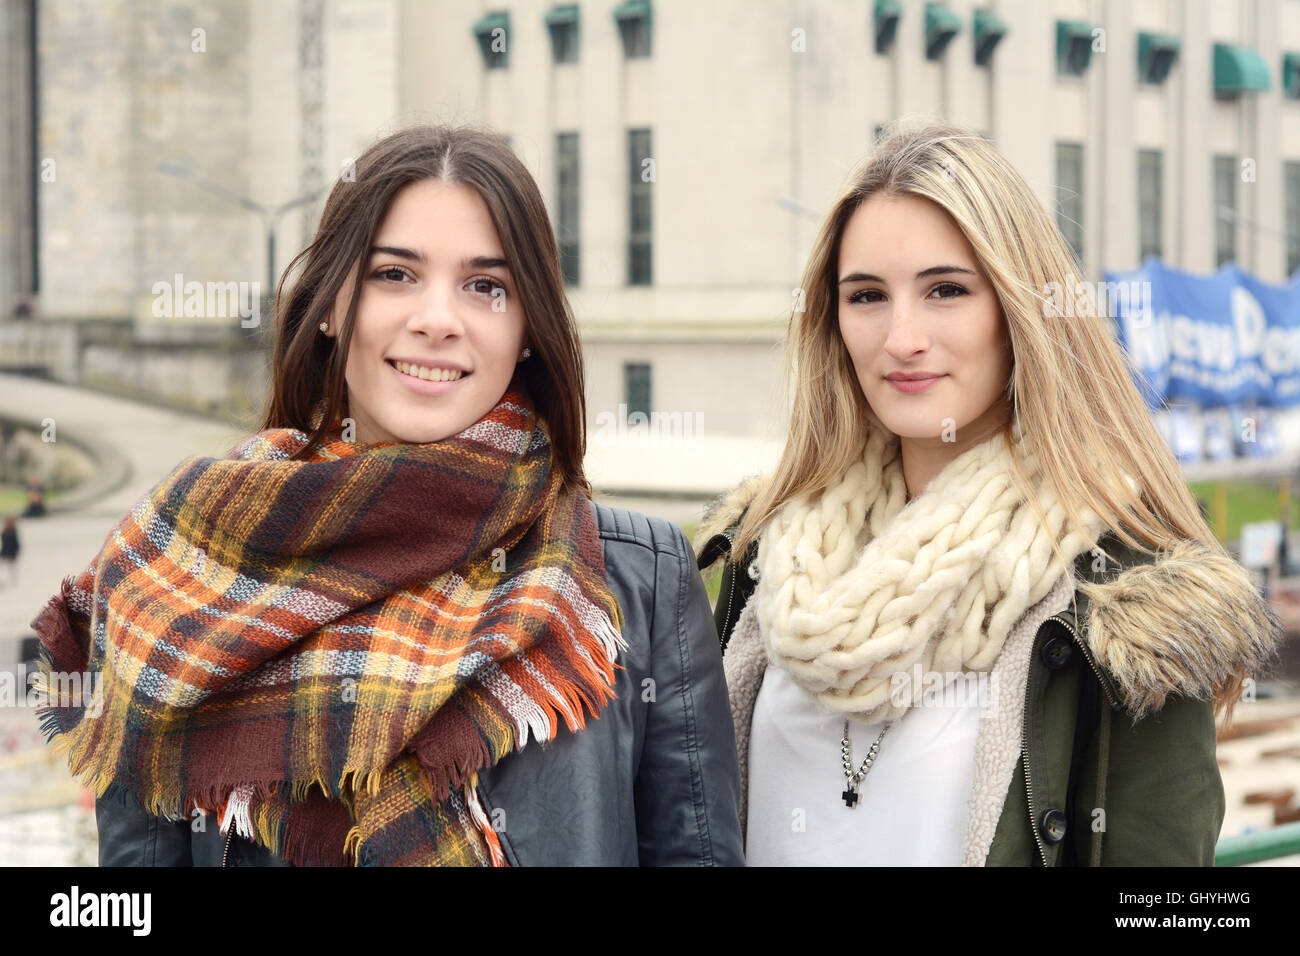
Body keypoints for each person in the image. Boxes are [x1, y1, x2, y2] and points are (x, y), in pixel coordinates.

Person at [32, 124, 742, 867]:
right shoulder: (168, 576)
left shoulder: (639, 579)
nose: (436, 320)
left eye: (486, 287)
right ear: (331, 307)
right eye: (395, 274)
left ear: (527, 328)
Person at [694, 121, 1282, 866]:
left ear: (1019, 309)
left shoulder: (1129, 603)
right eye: (867, 295)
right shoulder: (766, 549)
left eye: (946, 290)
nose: (902, 338)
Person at [0, 516, 17, 586]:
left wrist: (14, 553)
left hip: (10, 552)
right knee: (3, 567)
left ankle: (12, 580)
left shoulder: (13, 532)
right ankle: (3, 580)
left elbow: (15, 544)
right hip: (4, 551)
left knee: (11, 567)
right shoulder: (5, 531)